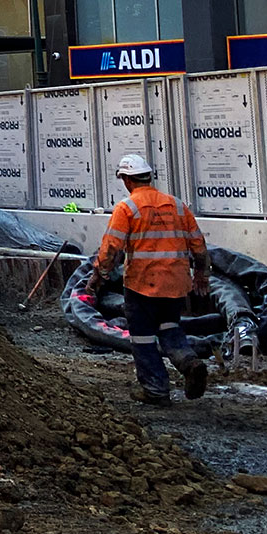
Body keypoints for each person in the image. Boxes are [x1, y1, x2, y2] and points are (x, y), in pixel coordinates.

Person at [90, 154, 210, 404]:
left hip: (142, 283)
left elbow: (112, 247)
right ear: (148, 177)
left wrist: (98, 275)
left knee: (143, 337)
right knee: (170, 327)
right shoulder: (176, 205)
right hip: (176, 283)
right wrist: (201, 273)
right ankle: (188, 362)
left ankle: (155, 390)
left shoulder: (127, 208)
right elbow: (198, 244)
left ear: (126, 180)